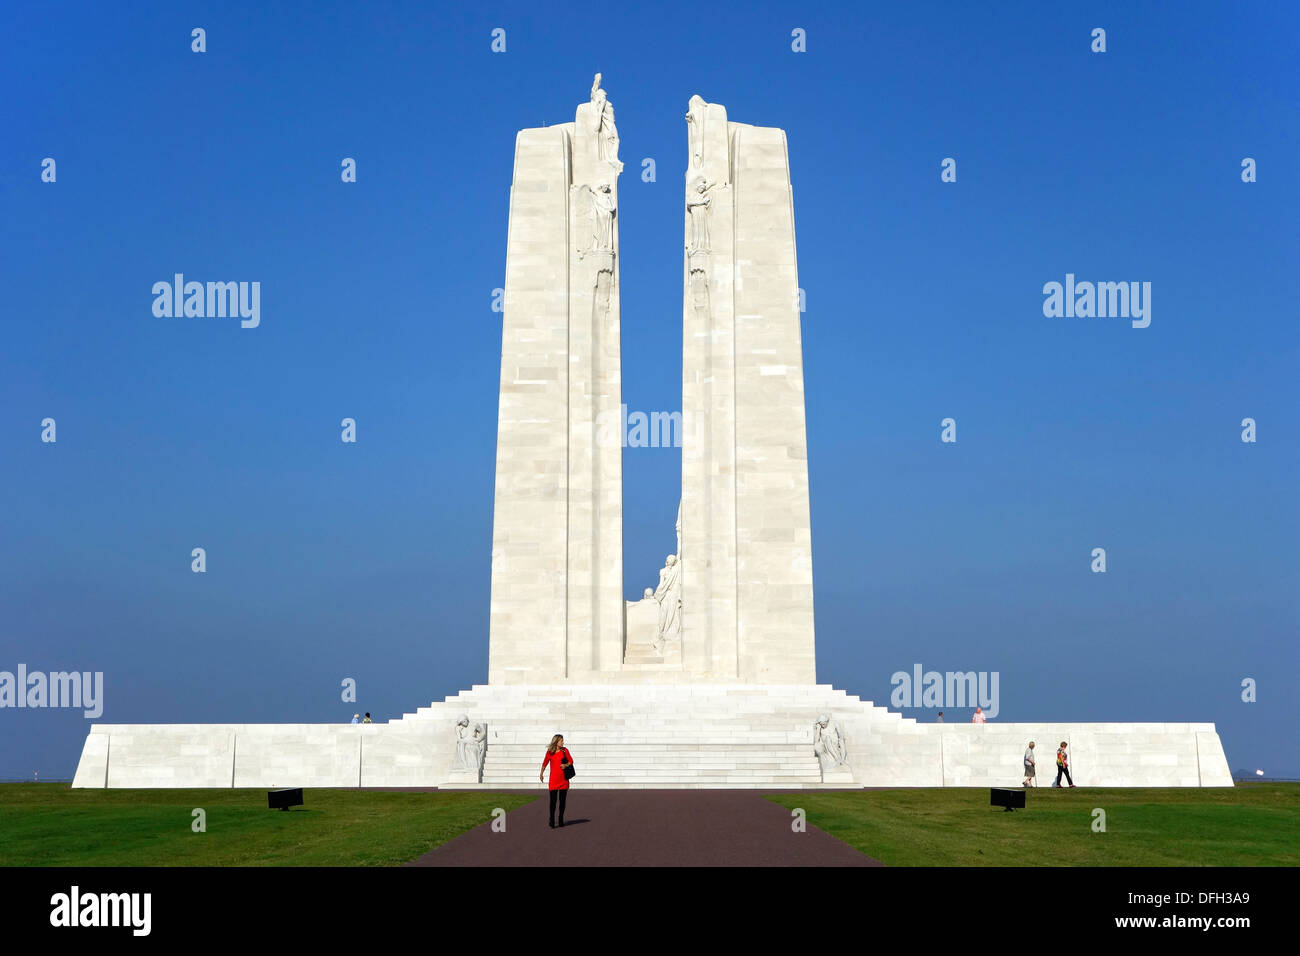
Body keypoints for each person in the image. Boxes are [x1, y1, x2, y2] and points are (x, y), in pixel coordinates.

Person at [539, 734, 574, 828]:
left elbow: (571, 761)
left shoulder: (565, 750)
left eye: (563, 740)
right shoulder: (550, 752)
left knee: (562, 802)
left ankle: (561, 818)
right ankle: (552, 819)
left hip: (564, 781)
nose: (563, 742)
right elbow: (545, 763)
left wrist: (565, 765)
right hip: (553, 781)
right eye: (561, 741)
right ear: (556, 741)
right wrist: (541, 773)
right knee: (553, 802)